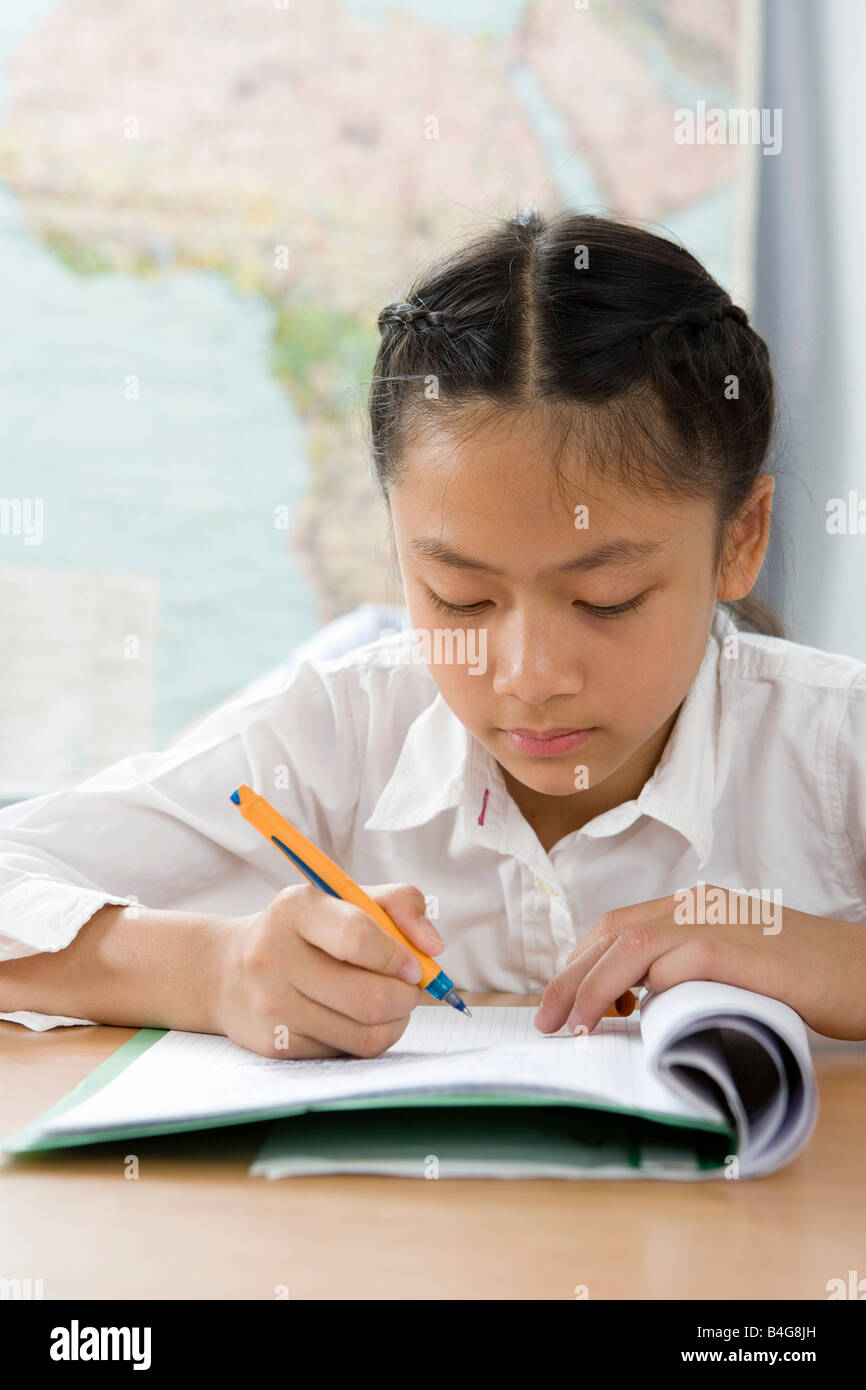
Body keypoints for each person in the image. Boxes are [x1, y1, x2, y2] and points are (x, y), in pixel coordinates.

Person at [1, 208, 864, 1057]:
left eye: (606, 599)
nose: (529, 677)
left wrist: (840, 964)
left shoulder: (832, 750)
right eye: (460, 599)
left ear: (740, 540)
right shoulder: (333, 736)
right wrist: (209, 970)